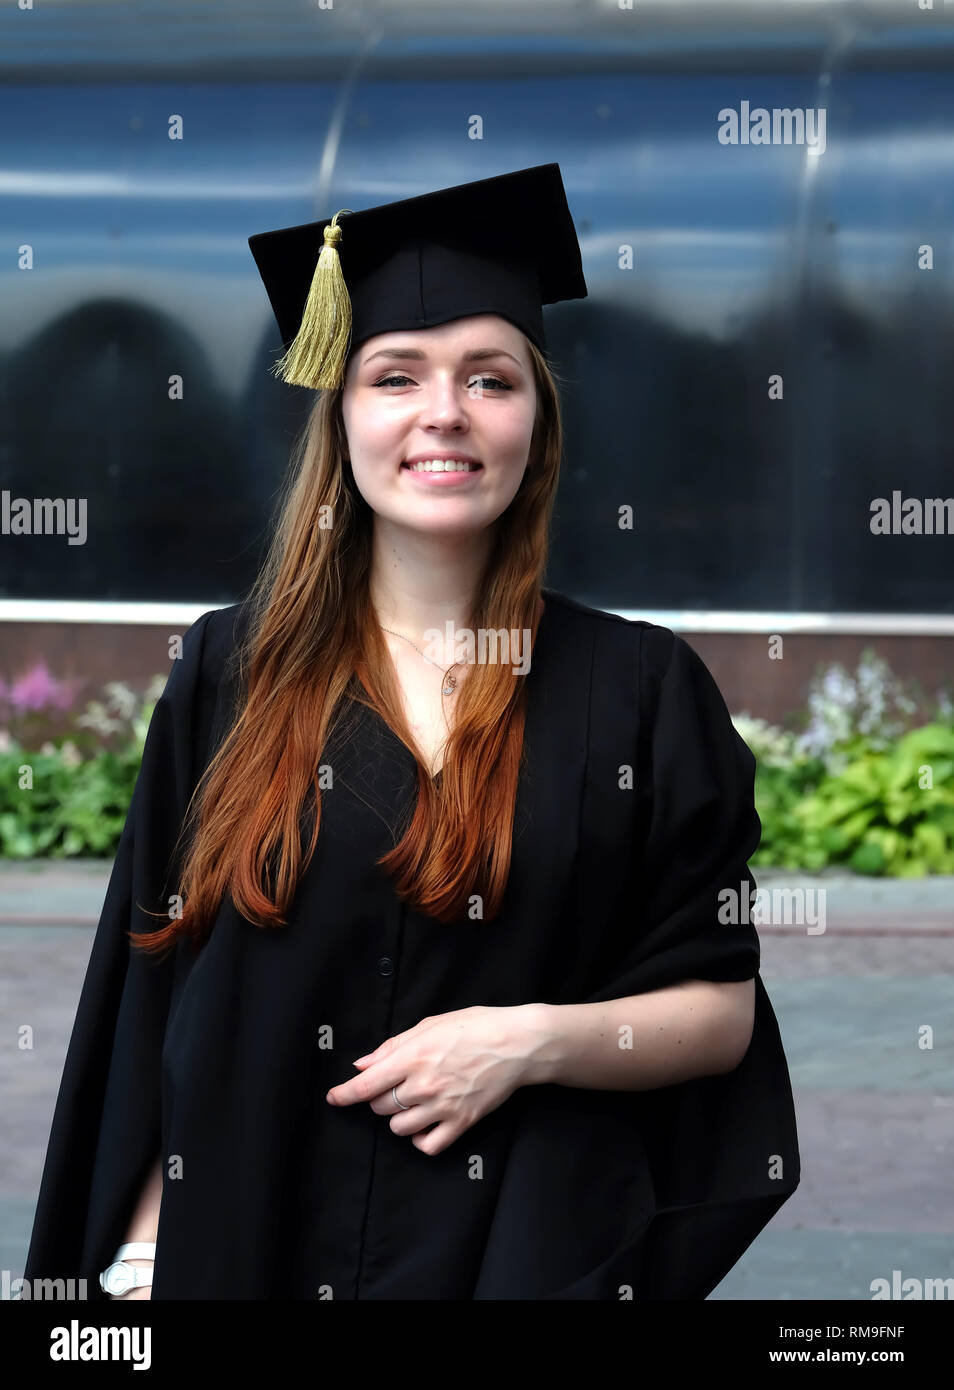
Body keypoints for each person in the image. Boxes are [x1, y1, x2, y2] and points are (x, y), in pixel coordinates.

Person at [23, 163, 799, 1301]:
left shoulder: (639, 687)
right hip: (247, 1243)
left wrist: (521, 1041)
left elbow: (719, 1013)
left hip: (517, 1257)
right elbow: (161, 1006)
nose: (446, 413)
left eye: (490, 379)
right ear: (341, 419)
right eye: (397, 377)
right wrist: (141, 1252)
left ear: (536, 419)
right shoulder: (231, 673)